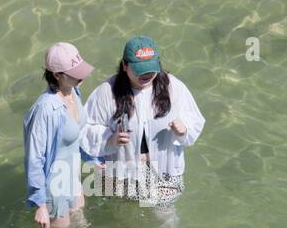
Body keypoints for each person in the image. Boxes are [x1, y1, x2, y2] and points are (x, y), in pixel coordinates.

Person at [81, 36, 204, 209]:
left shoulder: (173, 87)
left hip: (165, 173)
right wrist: (110, 139)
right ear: (124, 65)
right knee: (122, 222)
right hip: (120, 175)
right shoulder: (107, 92)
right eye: (140, 69)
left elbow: (195, 120)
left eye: (150, 69)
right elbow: (85, 128)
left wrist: (184, 130)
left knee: (165, 219)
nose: (146, 75)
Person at [23, 42, 95, 228]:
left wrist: (92, 159)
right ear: (56, 75)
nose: (82, 76)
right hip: (55, 184)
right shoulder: (45, 109)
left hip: (72, 176)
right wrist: (40, 205)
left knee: (82, 225)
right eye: (75, 72)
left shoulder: (74, 91)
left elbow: (75, 136)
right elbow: (34, 157)